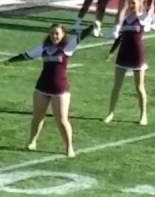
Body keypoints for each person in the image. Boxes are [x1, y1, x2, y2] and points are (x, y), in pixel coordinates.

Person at [7, 23, 94, 157]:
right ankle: (32, 141)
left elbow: (80, 37)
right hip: (42, 87)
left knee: (62, 120)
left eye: (57, 33)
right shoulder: (44, 48)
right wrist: (10, 61)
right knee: (37, 117)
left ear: (63, 34)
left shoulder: (67, 48)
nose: (54, 36)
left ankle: (69, 147)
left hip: (60, 89)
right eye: (52, 33)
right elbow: (27, 55)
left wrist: (91, 27)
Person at [105, 0, 149, 126]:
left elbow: (151, 4)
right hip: (123, 53)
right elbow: (120, 37)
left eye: (134, 3)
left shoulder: (142, 19)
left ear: (139, 4)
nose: (131, 5)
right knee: (116, 86)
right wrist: (112, 51)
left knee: (139, 87)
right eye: (130, 3)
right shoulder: (125, 19)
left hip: (137, 55)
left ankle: (143, 115)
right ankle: (110, 113)